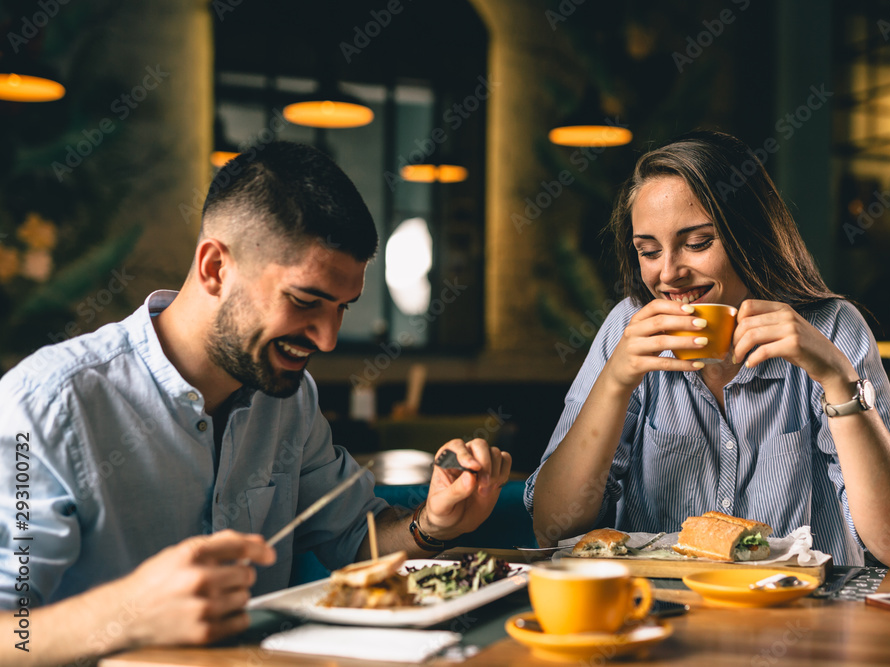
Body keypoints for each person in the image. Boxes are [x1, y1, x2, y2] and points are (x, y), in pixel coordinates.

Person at [0, 141, 511, 665]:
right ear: (216, 267)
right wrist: (130, 611)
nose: (328, 339)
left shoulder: (289, 398)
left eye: (342, 308)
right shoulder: (45, 406)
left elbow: (358, 542)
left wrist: (434, 523)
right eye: (305, 301)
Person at [526, 130, 890, 571]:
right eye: (648, 251)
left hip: (802, 618)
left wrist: (838, 381)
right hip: (658, 618)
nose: (669, 274)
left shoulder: (833, 327)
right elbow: (552, 529)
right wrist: (615, 381)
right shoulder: (627, 328)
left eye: (697, 243)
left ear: (749, 235)